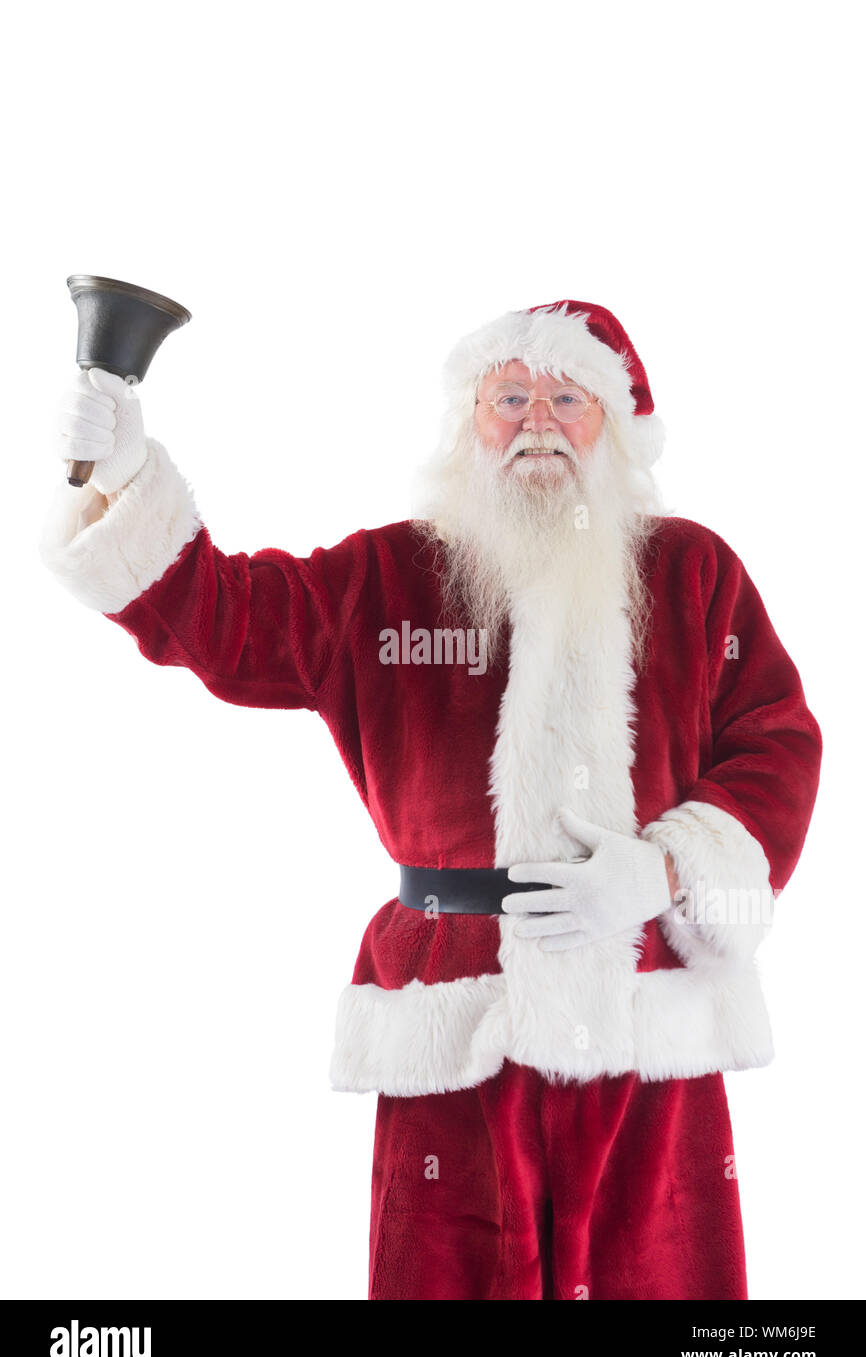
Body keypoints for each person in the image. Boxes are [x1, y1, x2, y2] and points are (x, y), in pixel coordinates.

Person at [40, 298, 822, 1300]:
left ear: (617, 428)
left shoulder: (693, 574)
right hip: (457, 1032)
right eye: (507, 396)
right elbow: (225, 621)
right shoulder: (387, 578)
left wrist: (660, 870)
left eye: (566, 397)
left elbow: (776, 744)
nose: (536, 418)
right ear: (468, 423)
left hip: (645, 1024)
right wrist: (125, 476)